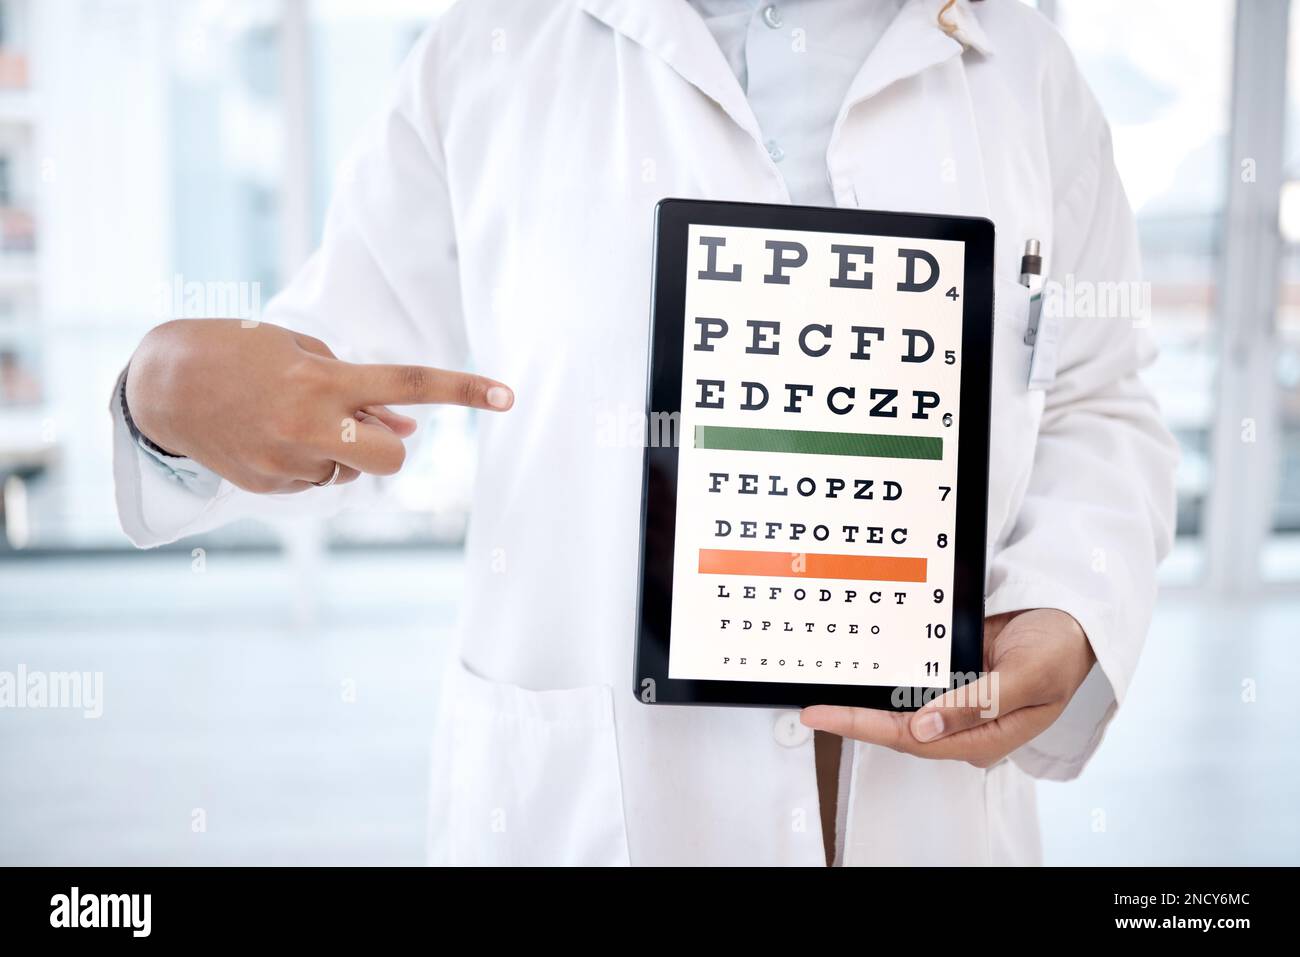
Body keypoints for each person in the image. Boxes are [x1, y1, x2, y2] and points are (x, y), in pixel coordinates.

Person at [111, 0, 1178, 866]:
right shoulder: (492, 48)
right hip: (594, 813)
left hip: (932, 814)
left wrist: (1071, 608)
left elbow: (1097, 394)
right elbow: (327, 377)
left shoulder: (1026, 70)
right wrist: (167, 397)